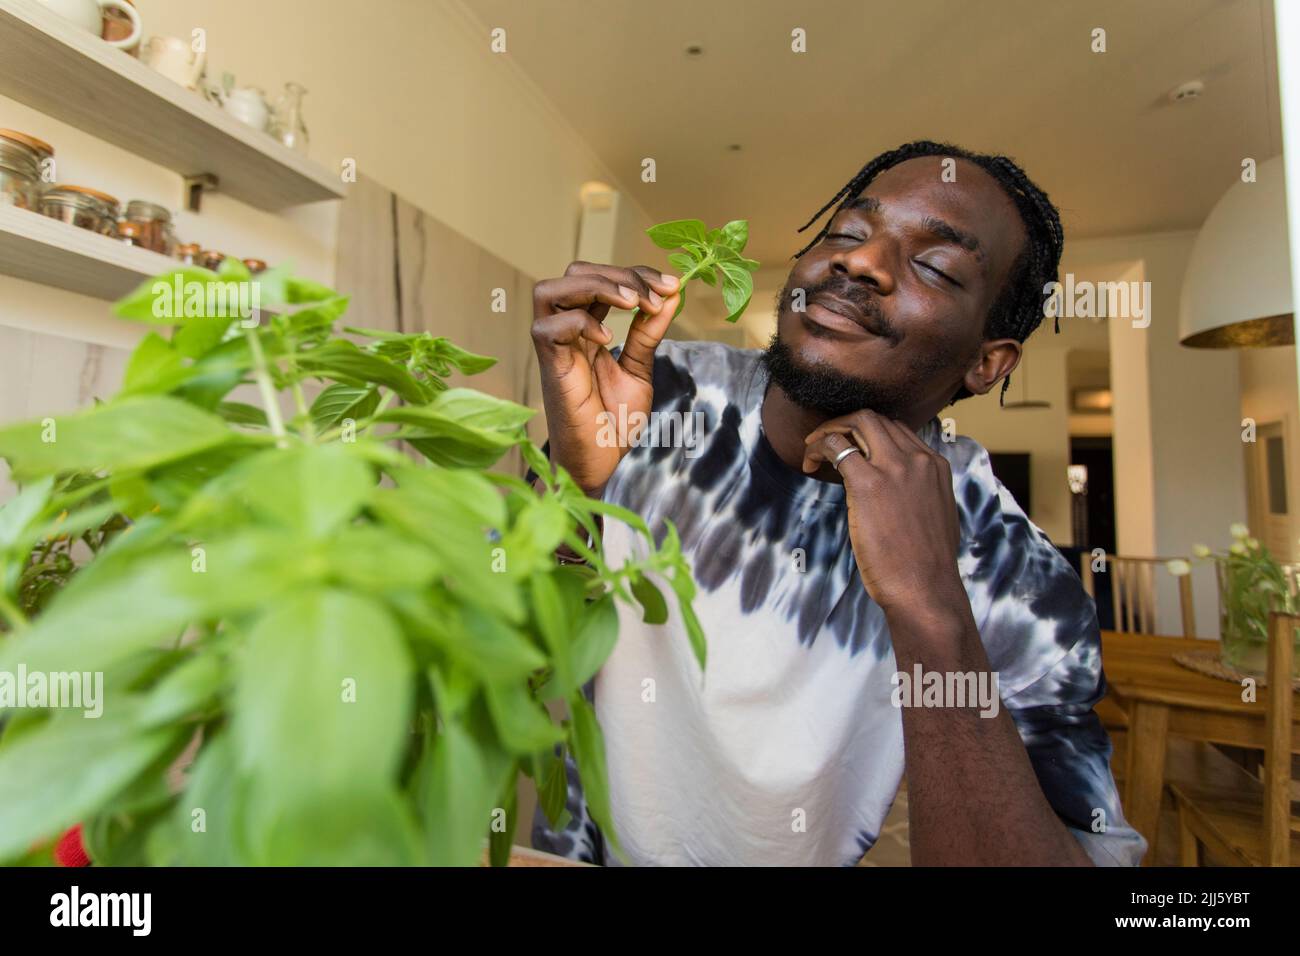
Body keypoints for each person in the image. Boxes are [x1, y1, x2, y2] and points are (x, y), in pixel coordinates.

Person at [528, 140, 1145, 866]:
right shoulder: (658, 401)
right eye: (846, 232)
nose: (860, 262)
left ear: (987, 363)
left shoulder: (1020, 579)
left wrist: (930, 604)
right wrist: (577, 489)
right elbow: (496, 651)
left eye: (936, 266)